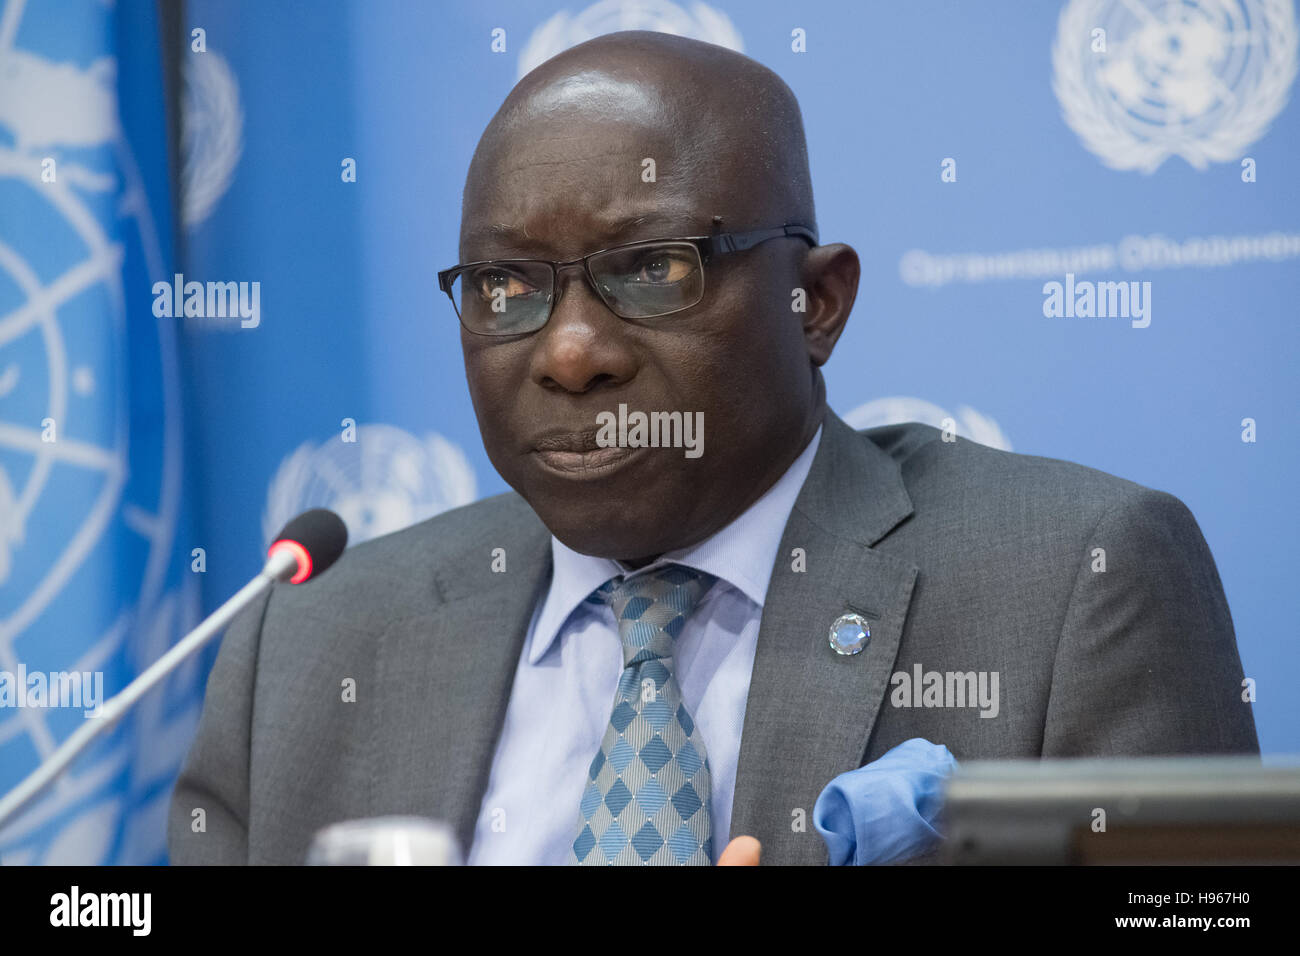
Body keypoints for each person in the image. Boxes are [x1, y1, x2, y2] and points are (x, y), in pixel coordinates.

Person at [168, 30, 1256, 866]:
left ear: (816, 301)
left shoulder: (1075, 583)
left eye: (653, 268)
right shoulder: (316, 641)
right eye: (507, 287)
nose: (571, 352)